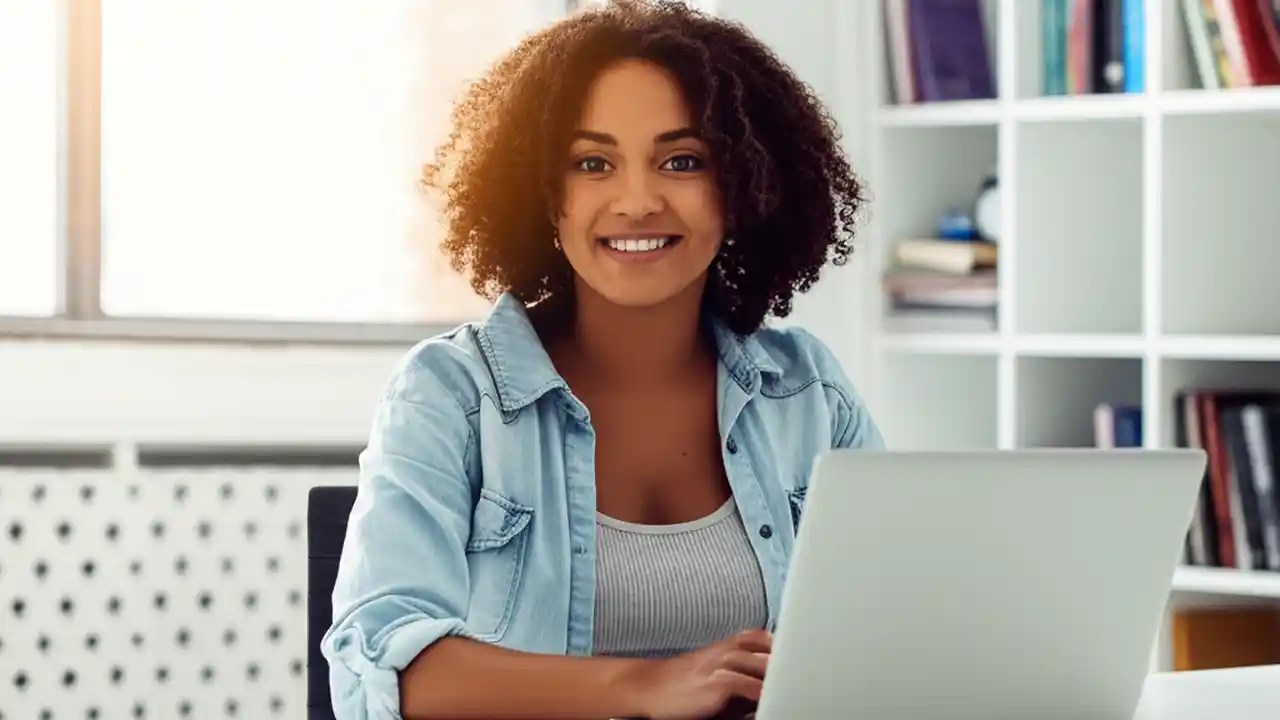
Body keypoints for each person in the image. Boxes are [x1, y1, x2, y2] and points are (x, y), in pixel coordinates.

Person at [321, 1, 883, 717]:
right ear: (541, 192)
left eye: (682, 161)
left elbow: (894, 625)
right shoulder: (448, 395)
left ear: (744, 183)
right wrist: (647, 685)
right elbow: (380, 664)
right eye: (593, 164)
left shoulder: (807, 392)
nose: (638, 200)